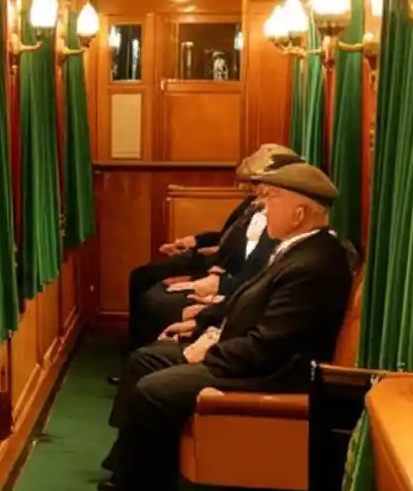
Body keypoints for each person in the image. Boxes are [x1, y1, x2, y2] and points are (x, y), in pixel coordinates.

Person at [95, 162, 355, 491]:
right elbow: (249, 305)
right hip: (249, 355)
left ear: (299, 213)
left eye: (272, 198)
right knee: (148, 359)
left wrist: (205, 352)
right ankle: (129, 471)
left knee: (154, 390)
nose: (263, 206)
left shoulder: (316, 263)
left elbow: (269, 346)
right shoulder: (297, 248)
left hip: (273, 376)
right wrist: (206, 330)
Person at [121, 144, 299, 357]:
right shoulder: (253, 205)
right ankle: (139, 352)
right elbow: (228, 236)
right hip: (220, 269)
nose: (252, 189)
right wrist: (196, 242)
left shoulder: (278, 224)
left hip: (225, 277)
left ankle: (149, 354)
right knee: (144, 279)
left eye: (258, 183)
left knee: (157, 299)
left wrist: (217, 284)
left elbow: (254, 269)